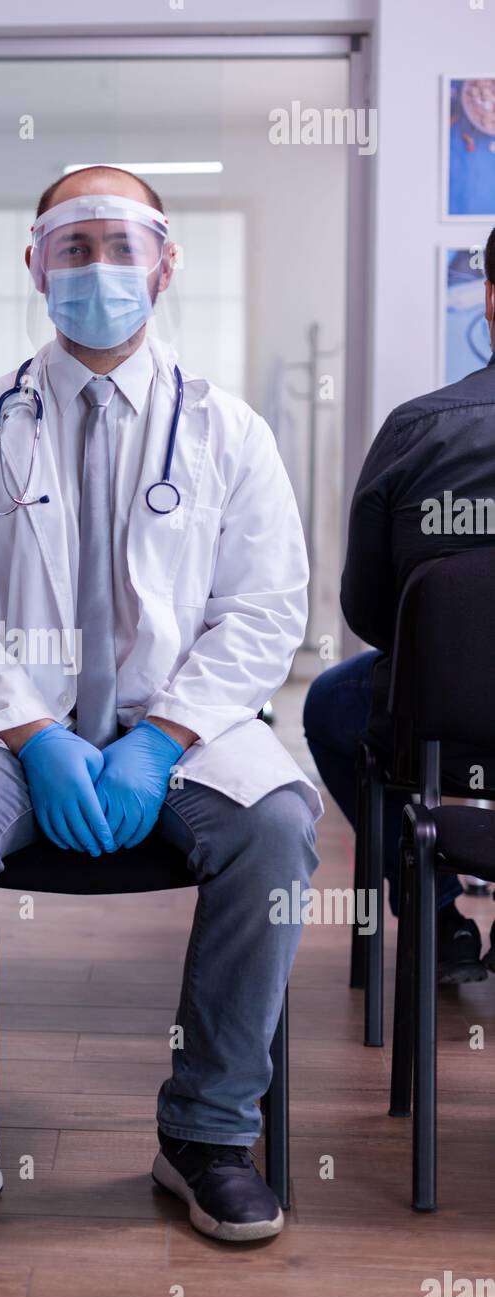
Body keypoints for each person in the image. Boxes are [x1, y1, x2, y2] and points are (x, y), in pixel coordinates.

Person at [0, 166, 322, 1250]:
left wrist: (159, 739)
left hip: (183, 735)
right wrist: (35, 733)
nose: (100, 269)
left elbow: (264, 610)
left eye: (122, 244)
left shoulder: (230, 432)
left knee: (279, 826)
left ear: (165, 263)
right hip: (12, 736)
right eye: (75, 247)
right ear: (35, 265)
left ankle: (206, 1135)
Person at [304, 226, 495, 987]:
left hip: (432, 726)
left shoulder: (418, 429)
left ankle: (433, 911)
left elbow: (366, 608)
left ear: (488, 297)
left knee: (330, 707)